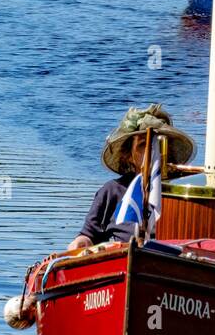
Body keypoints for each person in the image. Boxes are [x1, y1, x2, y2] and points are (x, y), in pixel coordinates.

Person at [67, 104, 195, 250]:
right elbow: (89, 235)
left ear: (167, 151)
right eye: (142, 145)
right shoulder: (112, 191)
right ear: (128, 155)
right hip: (123, 260)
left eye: (158, 144)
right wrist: (81, 242)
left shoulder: (183, 192)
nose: (151, 151)